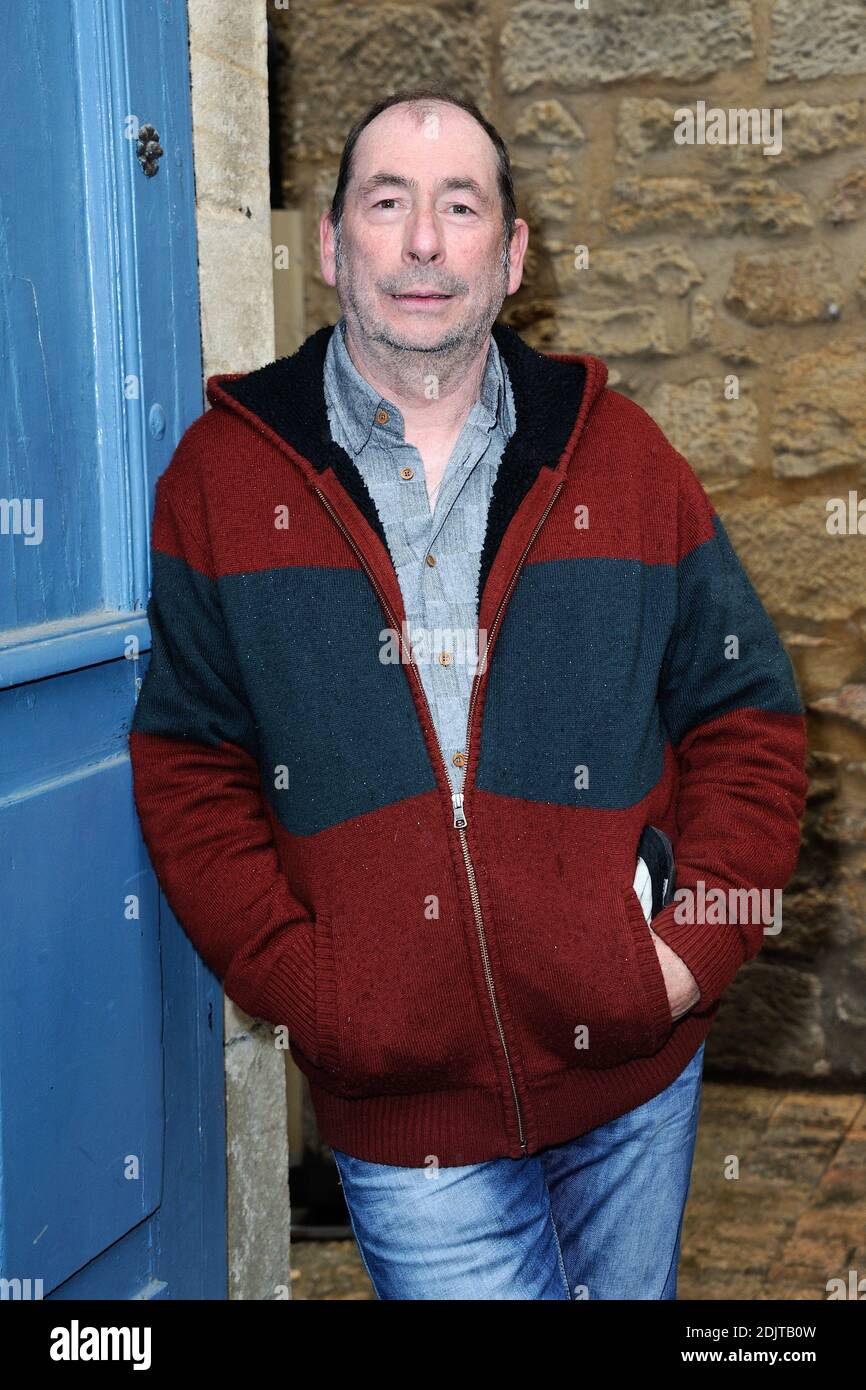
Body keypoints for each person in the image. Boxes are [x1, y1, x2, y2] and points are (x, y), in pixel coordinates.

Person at [128, 87, 809, 1299]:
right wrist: (315, 990)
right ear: (333, 246)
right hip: (405, 1119)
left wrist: (685, 952)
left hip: (633, 1078)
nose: (425, 243)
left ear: (513, 255)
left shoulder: (624, 458)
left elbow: (746, 715)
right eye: (387, 204)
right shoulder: (221, 482)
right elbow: (191, 771)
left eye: (460, 207)